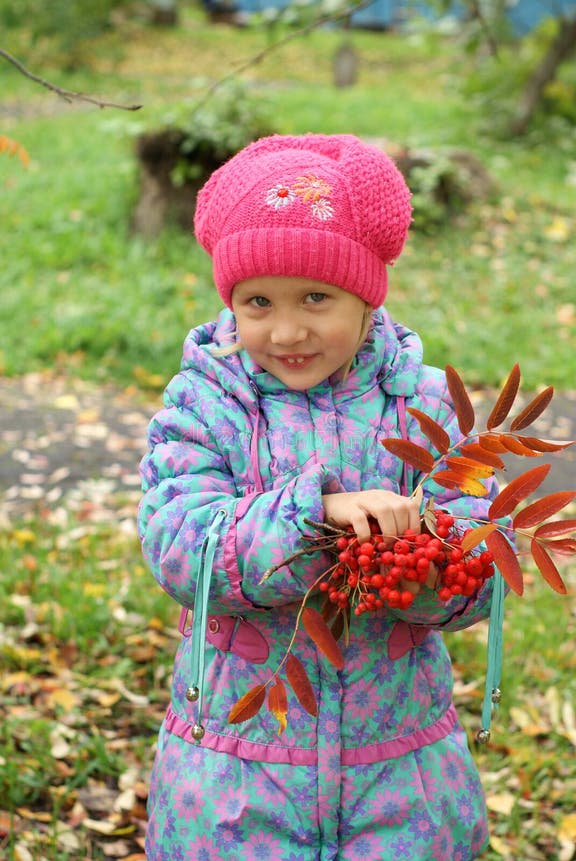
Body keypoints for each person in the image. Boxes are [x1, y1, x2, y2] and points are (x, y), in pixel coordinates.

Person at [138, 133, 502, 860]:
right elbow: (180, 543)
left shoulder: (425, 408)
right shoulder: (206, 403)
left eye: (316, 296)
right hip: (235, 779)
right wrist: (310, 515)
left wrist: (423, 564)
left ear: (366, 294)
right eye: (258, 301)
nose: (288, 327)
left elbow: (477, 553)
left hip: (401, 773)